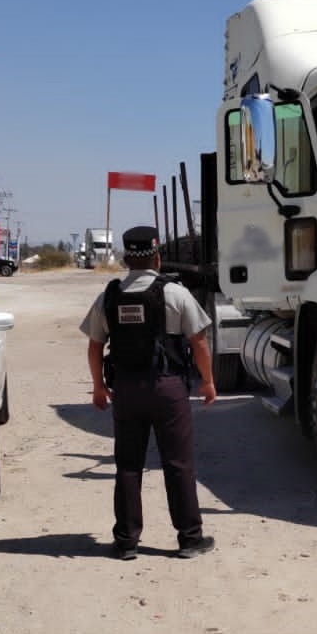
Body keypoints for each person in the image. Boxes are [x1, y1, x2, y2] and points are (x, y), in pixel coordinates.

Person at [80, 224, 217, 560]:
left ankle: (126, 541)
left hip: (125, 389)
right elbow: (198, 341)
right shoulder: (175, 293)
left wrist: (98, 386)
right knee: (178, 464)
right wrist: (208, 380)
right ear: (157, 256)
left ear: (127, 259)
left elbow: (95, 345)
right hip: (167, 388)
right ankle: (189, 538)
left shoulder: (109, 296)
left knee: (128, 465)